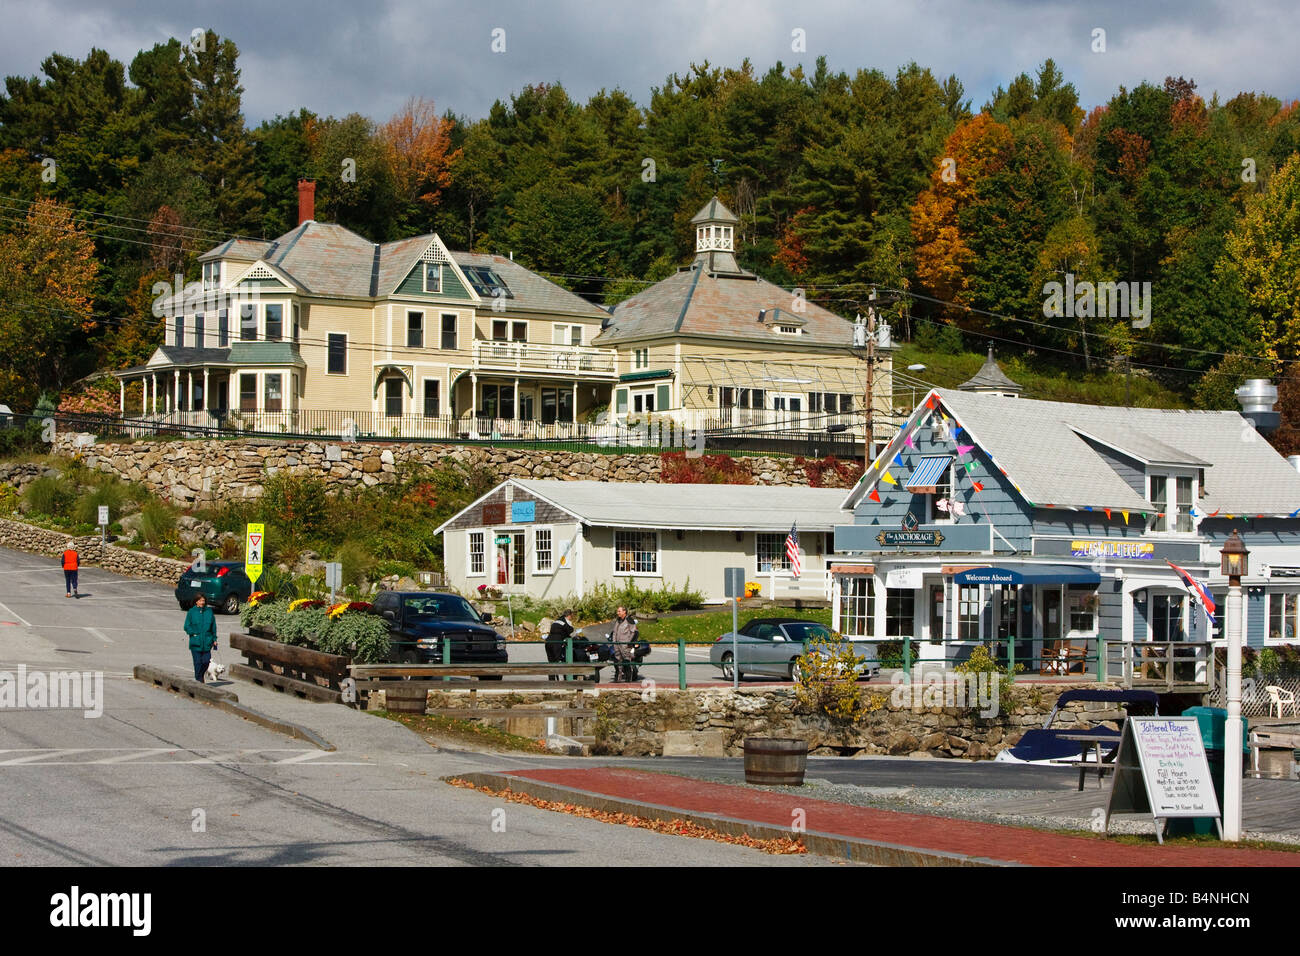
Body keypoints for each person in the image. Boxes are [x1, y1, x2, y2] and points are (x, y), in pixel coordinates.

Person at [184, 594, 219, 683]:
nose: (202, 602)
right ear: (196, 601)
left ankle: (199, 677)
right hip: (196, 642)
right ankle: (199, 680)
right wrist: (193, 633)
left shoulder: (209, 611)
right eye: (200, 601)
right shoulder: (191, 612)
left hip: (207, 642)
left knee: (206, 661)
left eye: (203, 600)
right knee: (197, 663)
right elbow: (187, 626)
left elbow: (213, 627)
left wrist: (214, 639)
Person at [609, 605, 639, 683]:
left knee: (626, 662)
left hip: (625, 645)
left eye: (619, 611)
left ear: (624, 611)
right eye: (617, 611)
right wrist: (614, 642)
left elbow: (635, 632)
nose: (617, 613)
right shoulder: (618, 620)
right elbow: (614, 632)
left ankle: (628, 680)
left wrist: (630, 643)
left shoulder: (629, 620)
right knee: (617, 662)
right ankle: (617, 680)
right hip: (617, 645)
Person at [546, 610, 575, 681]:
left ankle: (551, 681)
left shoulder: (556, 621)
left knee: (551, 662)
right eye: (572, 616)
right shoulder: (565, 622)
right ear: (569, 616)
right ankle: (565, 679)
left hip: (548, 642)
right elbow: (571, 632)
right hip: (556, 643)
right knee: (560, 661)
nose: (572, 618)